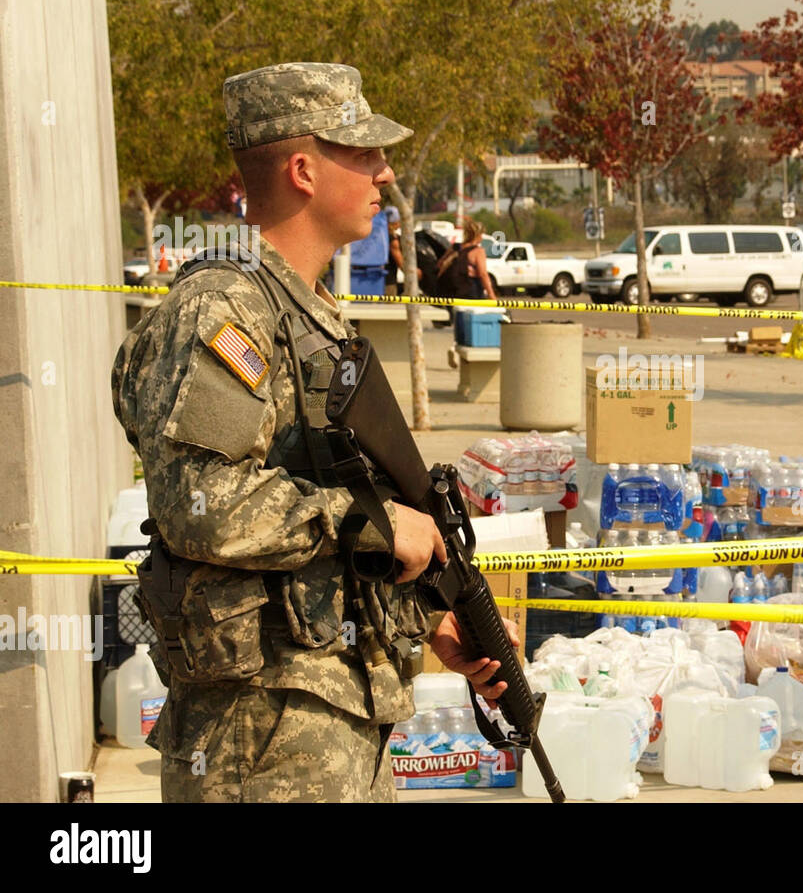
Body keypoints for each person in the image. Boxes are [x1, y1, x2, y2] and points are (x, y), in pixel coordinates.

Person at [111, 62, 518, 803]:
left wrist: (429, 620)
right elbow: (199, 501)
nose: (384, 170)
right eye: (361, 152)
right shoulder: (223, 311)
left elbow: (333, 502)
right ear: (303, 169)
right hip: (259, 741)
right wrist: (375, 525)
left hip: (336, 726)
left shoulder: (313, 314)